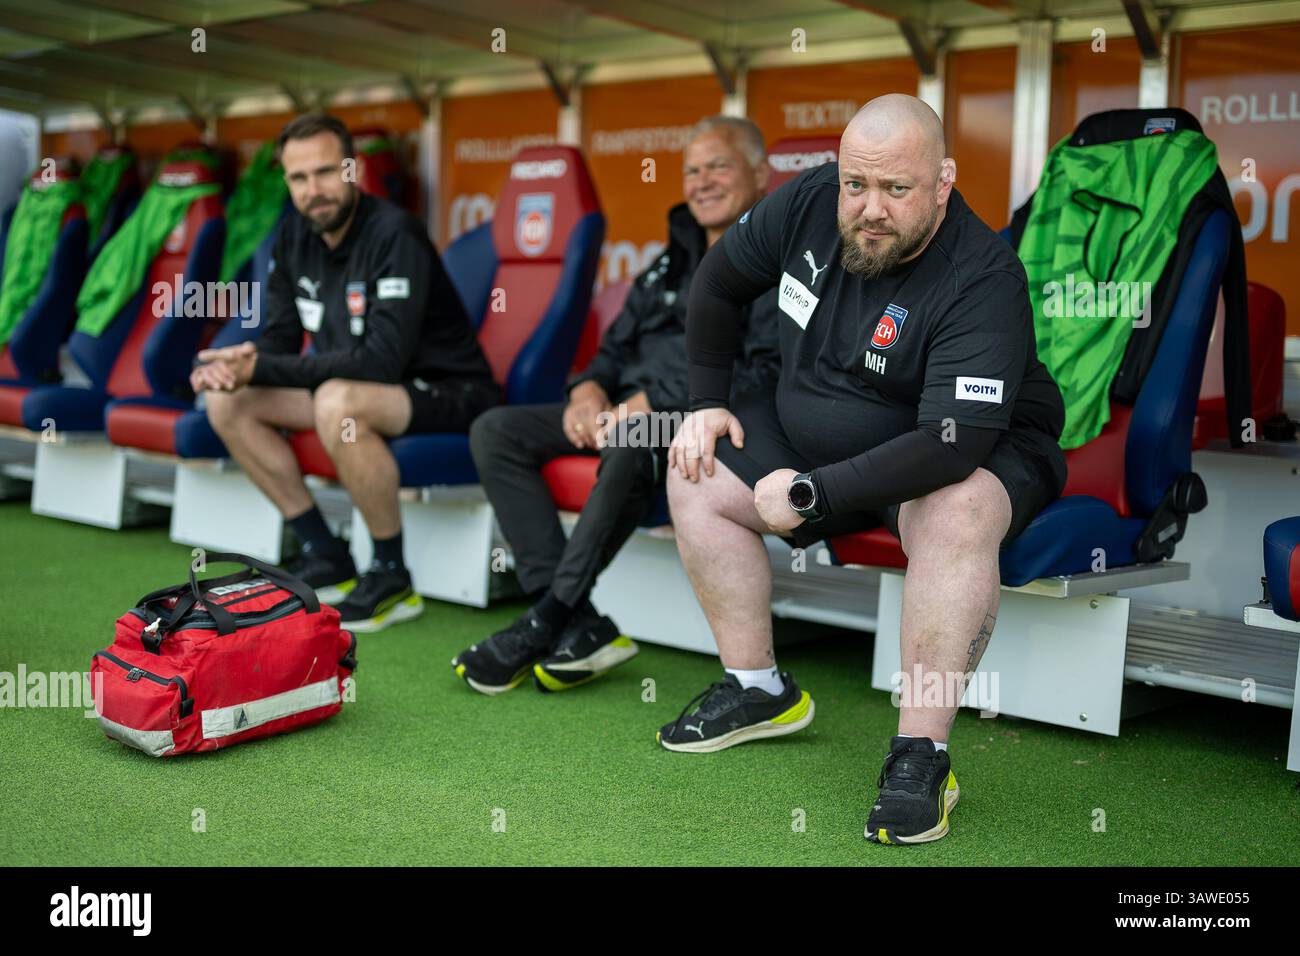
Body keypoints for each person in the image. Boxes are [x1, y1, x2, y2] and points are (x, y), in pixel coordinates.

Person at [662, 94, 1067, 846]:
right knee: (695, 466)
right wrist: (706, 403)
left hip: (957, 451)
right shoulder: (814, 198)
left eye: (896, 189)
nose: (869, 208)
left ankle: (922, 753)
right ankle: (757, 689)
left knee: (961, 508)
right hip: (819, 437)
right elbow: (716, 282)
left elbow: (952, 444)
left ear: (943, 182)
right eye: (858, 185)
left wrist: (814, 494)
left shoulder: (984, 277)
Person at [453, 116, 781, 695]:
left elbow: (759, 374)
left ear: (759, 175)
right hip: (625, 412)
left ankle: (549, 615)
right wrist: (588, 393)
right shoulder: (667, 259)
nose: (702, 181)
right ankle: (581, 625)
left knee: (632, 441)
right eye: (693, 170)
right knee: (494, 430)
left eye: (719, 166)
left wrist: (647, 403)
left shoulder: (774, 261)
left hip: (706, 422)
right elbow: (611, 348)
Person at [192, 113, 499, 633]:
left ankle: (391, 574)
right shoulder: (293, 235)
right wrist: (241, 362)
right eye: (299, 178)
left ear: (353, 170)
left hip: (449, 392)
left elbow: (382, 362)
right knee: (228, 401)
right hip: (358, 391)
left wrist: (263, 366)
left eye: (327, 172)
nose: (315, 190)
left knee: (337, 400)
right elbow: (282, 339)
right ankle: (323, 549)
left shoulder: (394, 233)